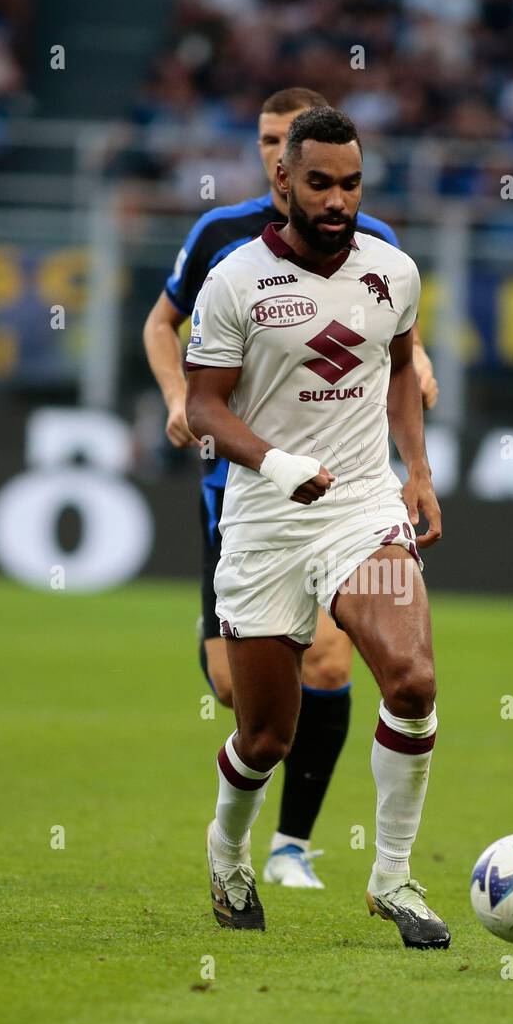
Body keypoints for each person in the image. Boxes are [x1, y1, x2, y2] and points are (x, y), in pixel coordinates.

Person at [142, 86, 438, 890]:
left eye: (350, 184)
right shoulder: (232, 273)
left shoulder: (393, 268)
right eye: (319, 183)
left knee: (406, 680)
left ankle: (387, 876)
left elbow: (403, 368)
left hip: (360, 510)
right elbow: (205, 405)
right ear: (282, 179)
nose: (337, 199)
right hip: (262, 515)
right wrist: (274, 463)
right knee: (262, 731)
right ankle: (230, 851)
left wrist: (417, 471)